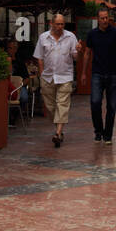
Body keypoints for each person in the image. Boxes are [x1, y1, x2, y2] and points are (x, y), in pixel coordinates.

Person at [82, 8, 116, 145]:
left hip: (113, 74)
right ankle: (98, 130)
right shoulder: (92, 34)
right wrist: (84, 72)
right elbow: (87, 53)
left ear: (109, 18)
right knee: (95, 102)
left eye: (106, 18)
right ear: (98, 19)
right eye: (102, 18)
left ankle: (108, 135)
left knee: (112, 106)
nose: (104, 20)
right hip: (97, 73)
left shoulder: (115, 33)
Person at [33, 13, 80, 147]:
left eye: (62, 24)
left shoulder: (71, 37)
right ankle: (59, 128)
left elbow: (75, 58)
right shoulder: (43, 37)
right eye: (58, 24)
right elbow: (39, 57)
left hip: (65, 76)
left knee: (62, 104)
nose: (60, 27)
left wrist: (78, 51)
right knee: (50, 106)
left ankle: (58, 133)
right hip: (47, 77)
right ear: (51, 24)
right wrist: (42, 74)